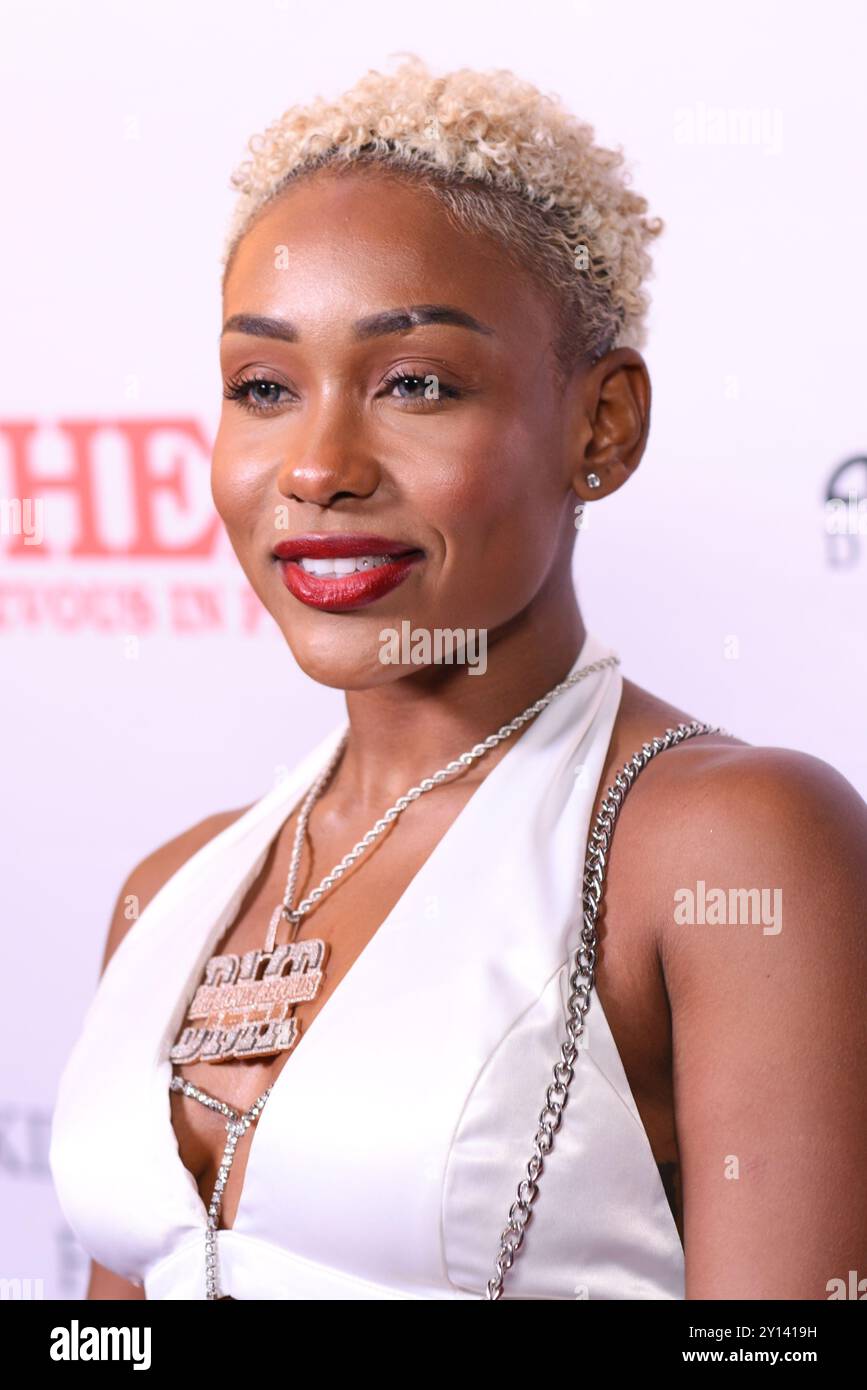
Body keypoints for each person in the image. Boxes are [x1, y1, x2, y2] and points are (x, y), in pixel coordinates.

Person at [49, 54, 867, 1301]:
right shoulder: (166, 892)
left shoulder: (731, 847)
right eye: (263, 387)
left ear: (603, 426)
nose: (318, 466)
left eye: (415, 384)